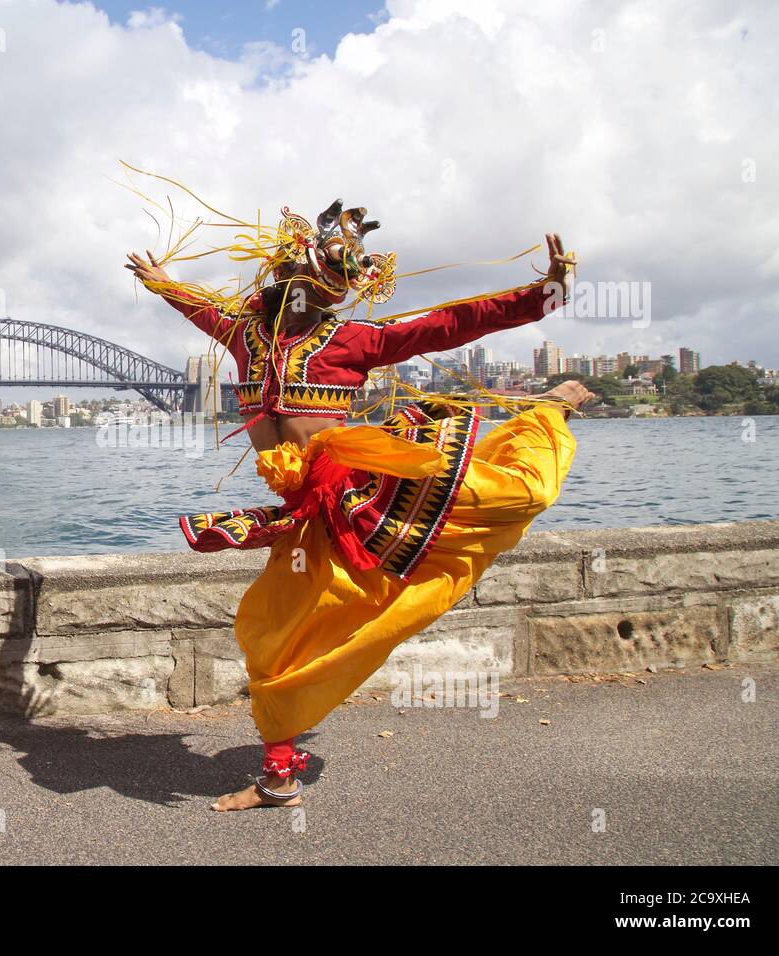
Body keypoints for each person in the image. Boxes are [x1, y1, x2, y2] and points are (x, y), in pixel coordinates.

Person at [126, 203, 595, 811]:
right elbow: (200, 308)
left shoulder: (353, 340)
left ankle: (553, 408)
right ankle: (278, 779)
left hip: (368, 495)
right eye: (319, 274)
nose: (323, 290)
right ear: (288, 276)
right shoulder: (246, 335)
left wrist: (545, 296)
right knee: (271, 638)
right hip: (308, 518)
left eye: (338, 280)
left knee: (512, 493)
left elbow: (452, 323)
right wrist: (162, 281)